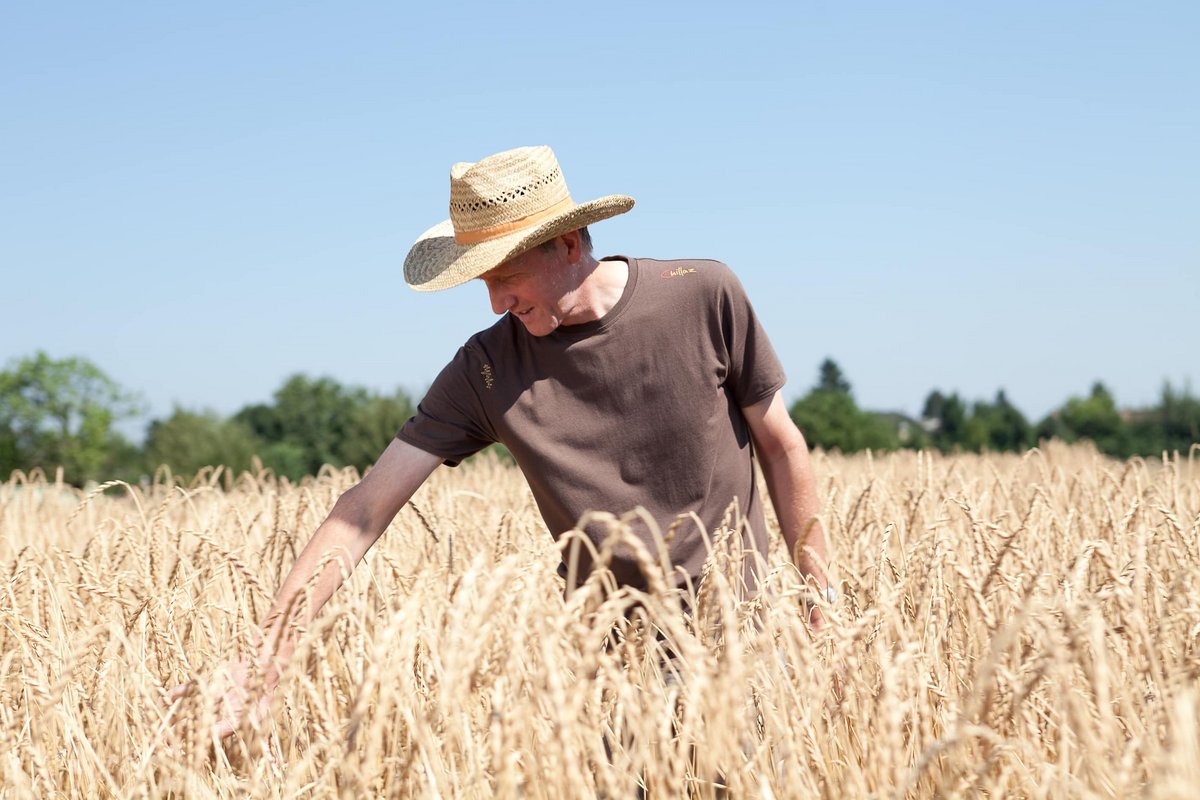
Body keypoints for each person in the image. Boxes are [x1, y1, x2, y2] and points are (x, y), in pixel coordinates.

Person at [173, 145, 833, 739]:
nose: (493, 303)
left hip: (743, 652)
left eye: (503, 276)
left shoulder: (702, 295)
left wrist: (821, 599)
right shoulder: (485, 371)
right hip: (615, 679)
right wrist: (266, 658)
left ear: (567, 245)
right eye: (481, 282)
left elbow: (781, 447)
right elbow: (363, 510)